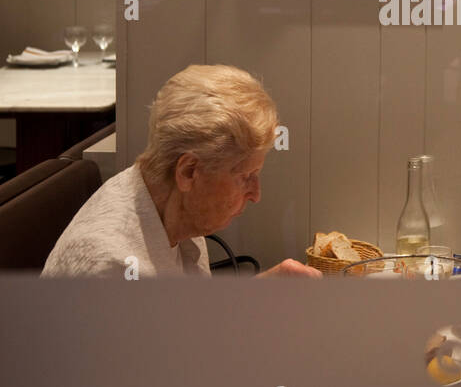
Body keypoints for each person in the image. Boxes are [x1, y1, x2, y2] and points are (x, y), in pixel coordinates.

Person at [42, 65, 321, 279]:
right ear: (189, 171)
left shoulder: (170, 204)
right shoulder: (112, 267)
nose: (256, 195)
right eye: (245, 177)